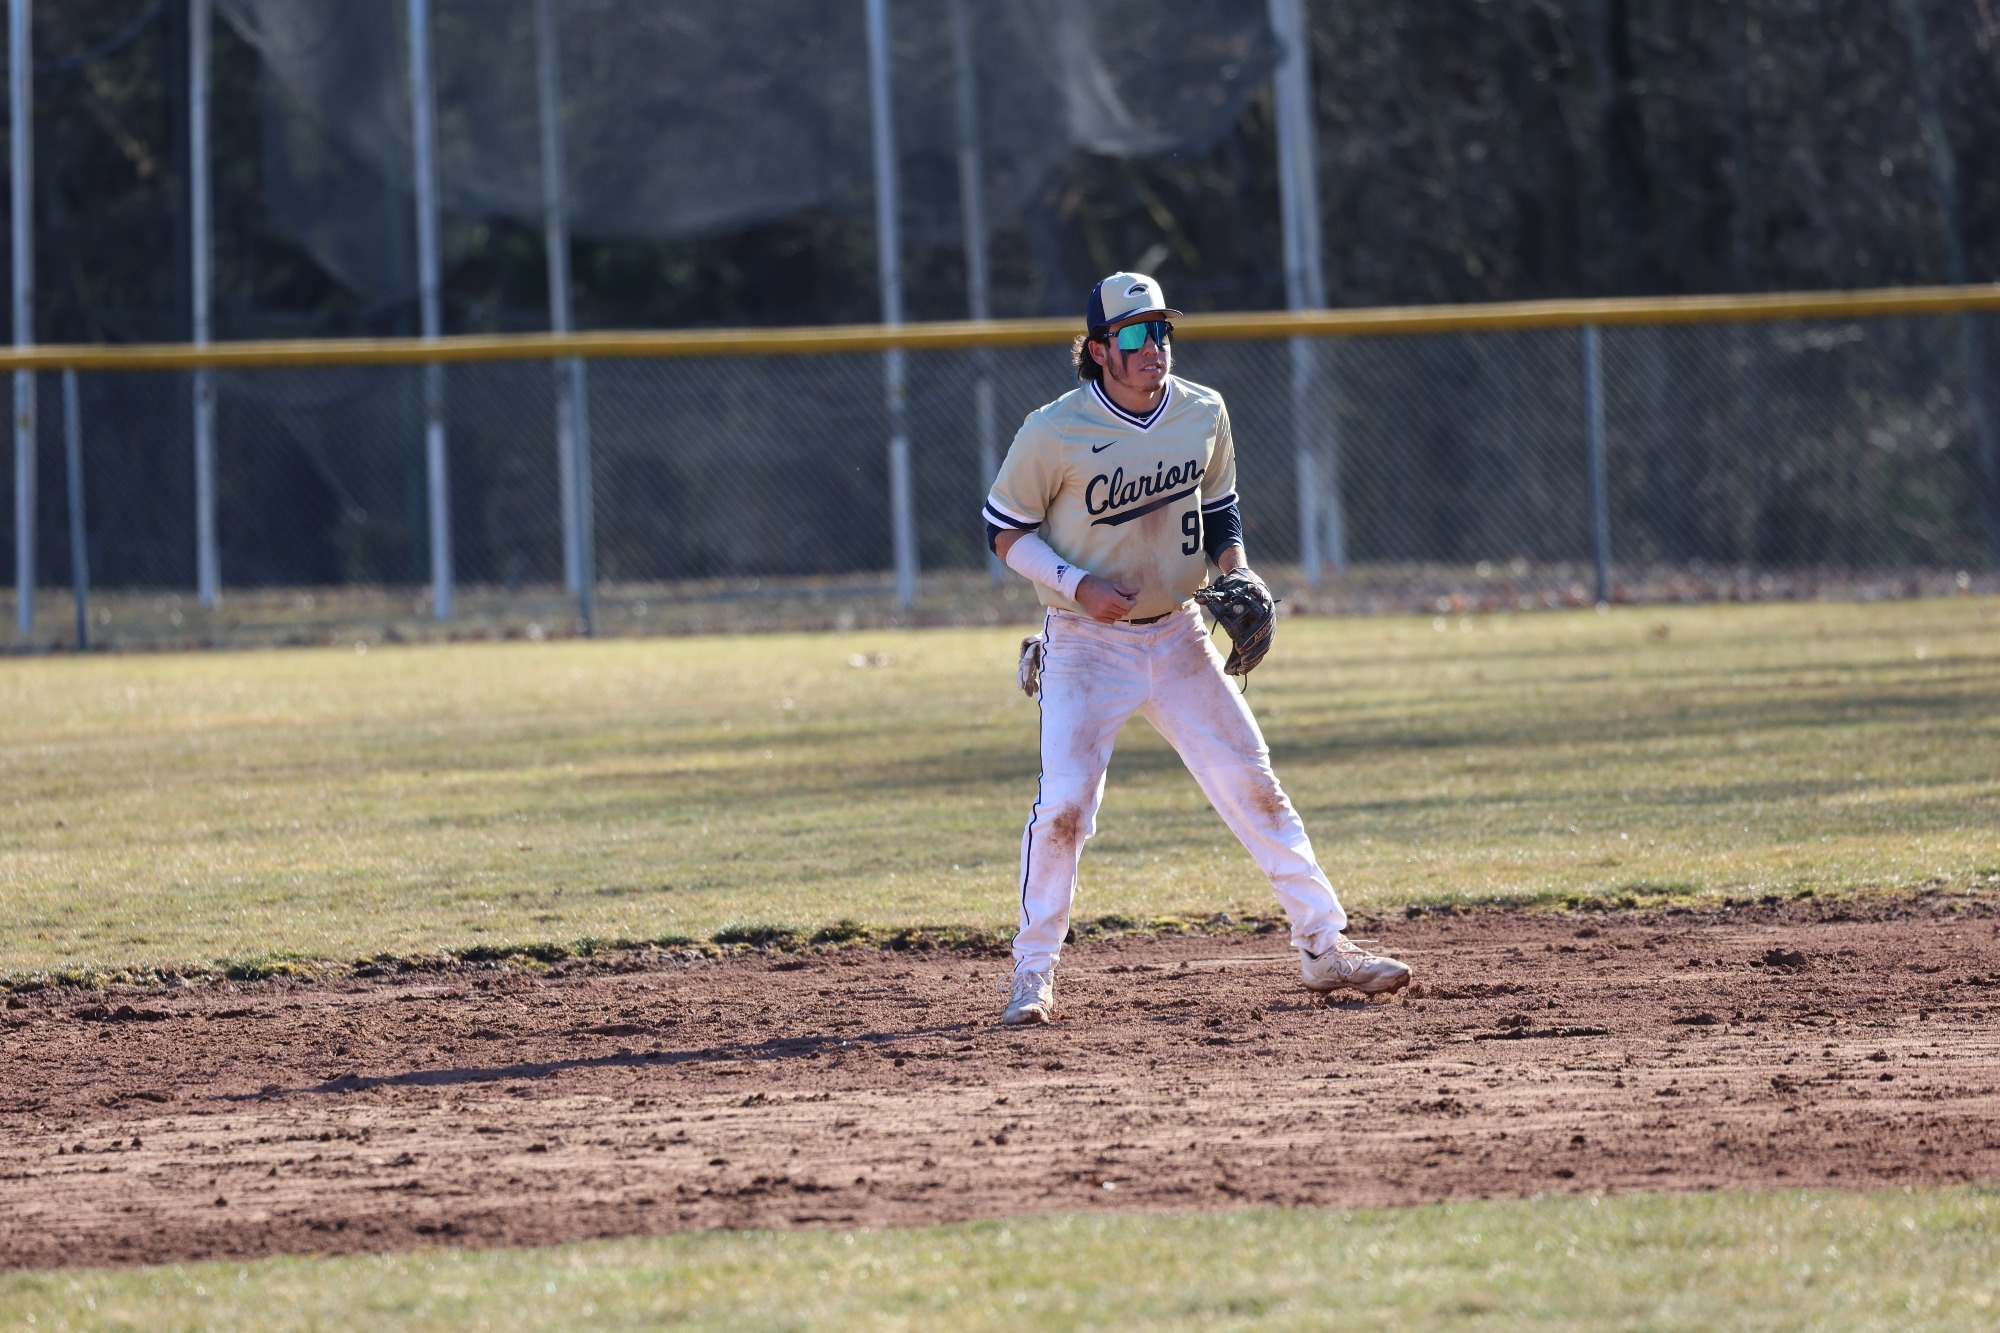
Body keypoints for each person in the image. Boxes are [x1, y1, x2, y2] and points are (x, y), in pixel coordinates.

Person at [981, 272, 1412, 1025]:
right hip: (1085, 643)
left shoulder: (1202, 410)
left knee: (1254, 784)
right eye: (1135, 333)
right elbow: (1003, 529)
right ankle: (1033, 973)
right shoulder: (1053, 430)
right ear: (1098, 350)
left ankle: (1324, 946)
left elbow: (1219, 511)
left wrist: (1237, 574)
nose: (1155, 345)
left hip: (1179, 632)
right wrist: (1076, 585)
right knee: (1066, 807)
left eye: (1162, 330)